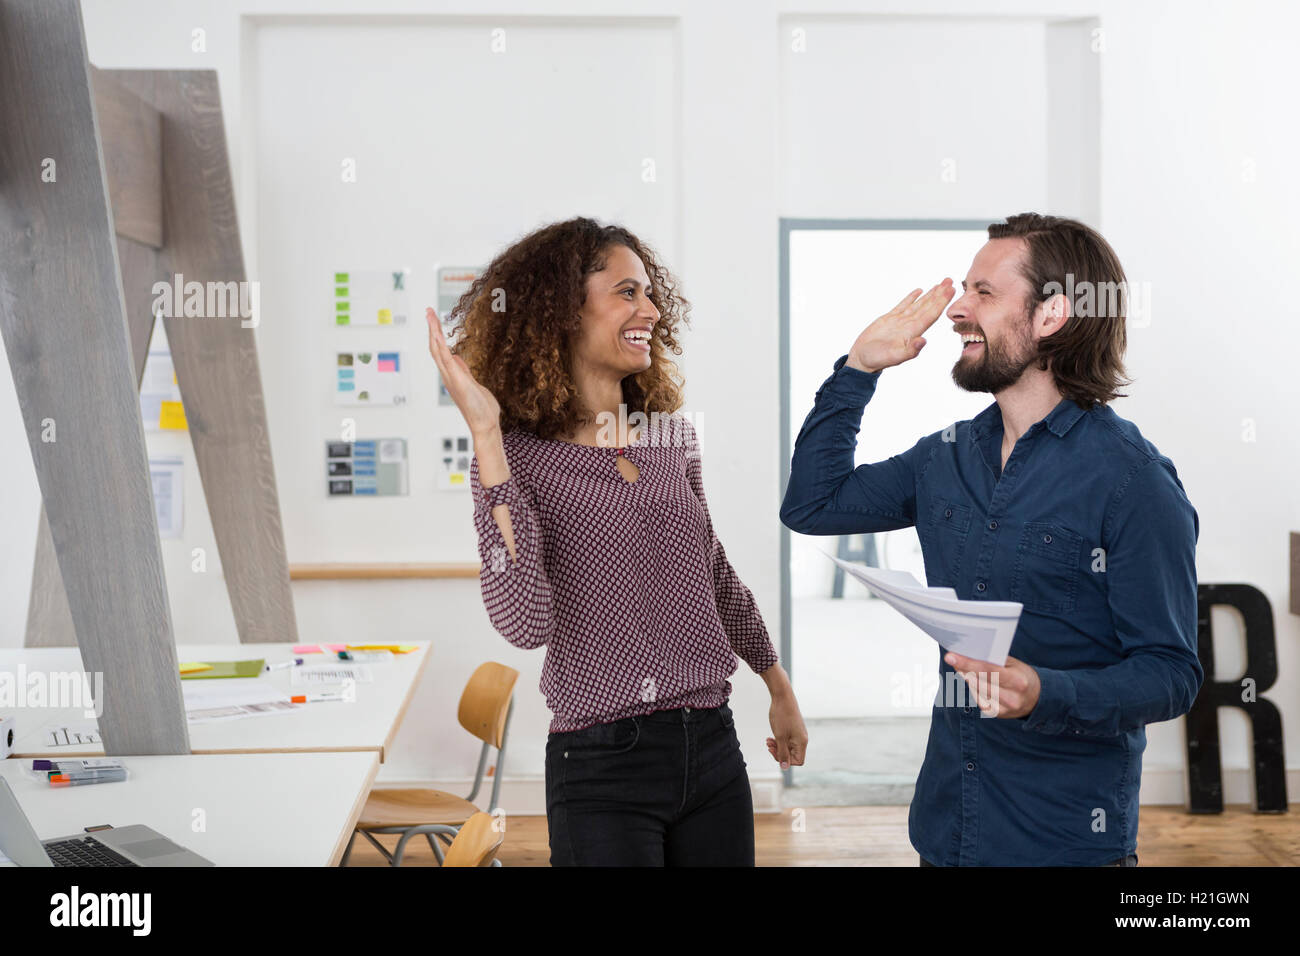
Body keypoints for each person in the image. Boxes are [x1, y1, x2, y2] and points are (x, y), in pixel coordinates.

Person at [780, 212, 1202, 866]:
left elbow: (1172, 675)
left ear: (1052, 314)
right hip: (946, 831)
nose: (956, 310)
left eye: (983, 291)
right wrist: (858, 369)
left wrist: (1044, 692)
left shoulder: (1134, 483)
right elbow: (812, 504)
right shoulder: (943, 458)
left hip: (1060, 843)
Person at [428, 216, 808, 866]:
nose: (652, 311)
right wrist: (487, 437)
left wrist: (778, 687)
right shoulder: (515, 460)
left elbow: (714, 574)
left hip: (712, 744)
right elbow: (525, 622)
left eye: (649, 293)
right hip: (601, 766)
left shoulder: (671, 441)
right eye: (627, 292)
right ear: (562, 312)